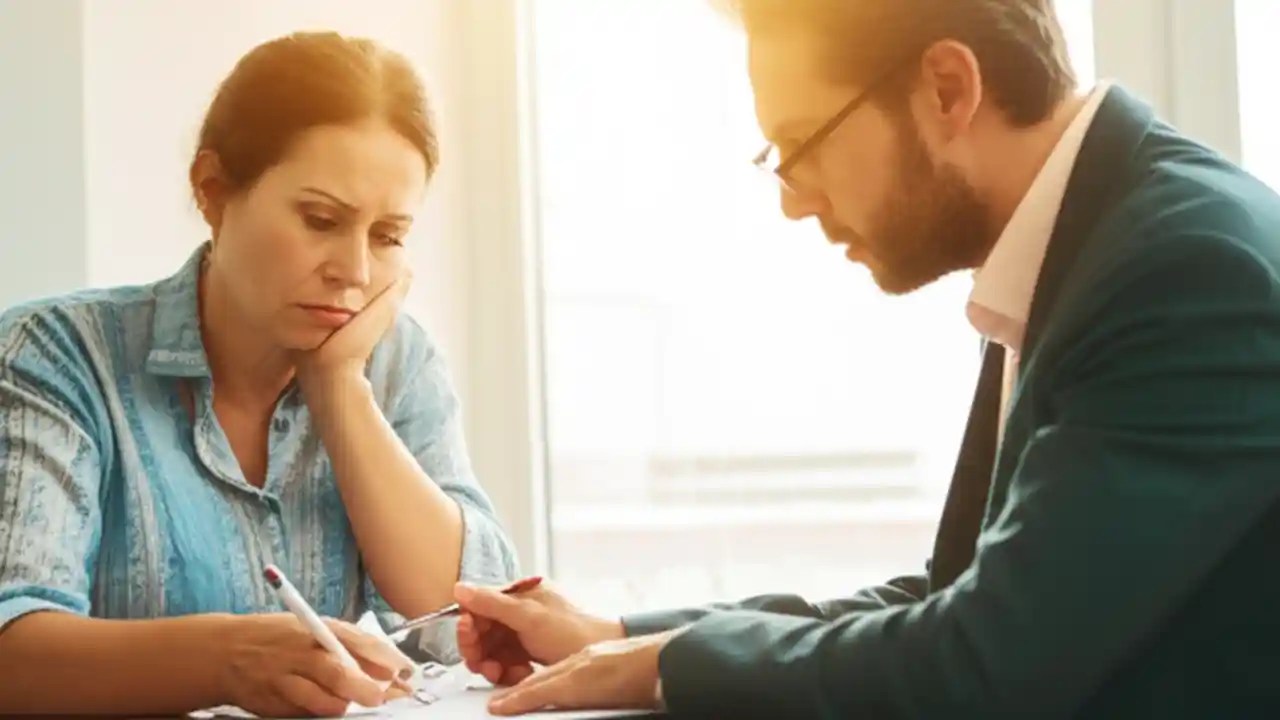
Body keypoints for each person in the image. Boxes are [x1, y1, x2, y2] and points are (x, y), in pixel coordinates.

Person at [451, 0, 1280, 717]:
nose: (793, 199)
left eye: (801, 142)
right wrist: (622, 637)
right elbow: (956, 594)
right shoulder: (1093, 238)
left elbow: (988, 664)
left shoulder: (1179, 267)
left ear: (949, 89)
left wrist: (666, 668)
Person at [0, 31, 518, 717]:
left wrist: (339, 389)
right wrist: (226, 660)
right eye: (321, 219)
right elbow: (12, 653)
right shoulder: (56, 355)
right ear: (212, 190)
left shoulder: (393, 362)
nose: (355, 273)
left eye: (388, 236)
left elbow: (471, 625)